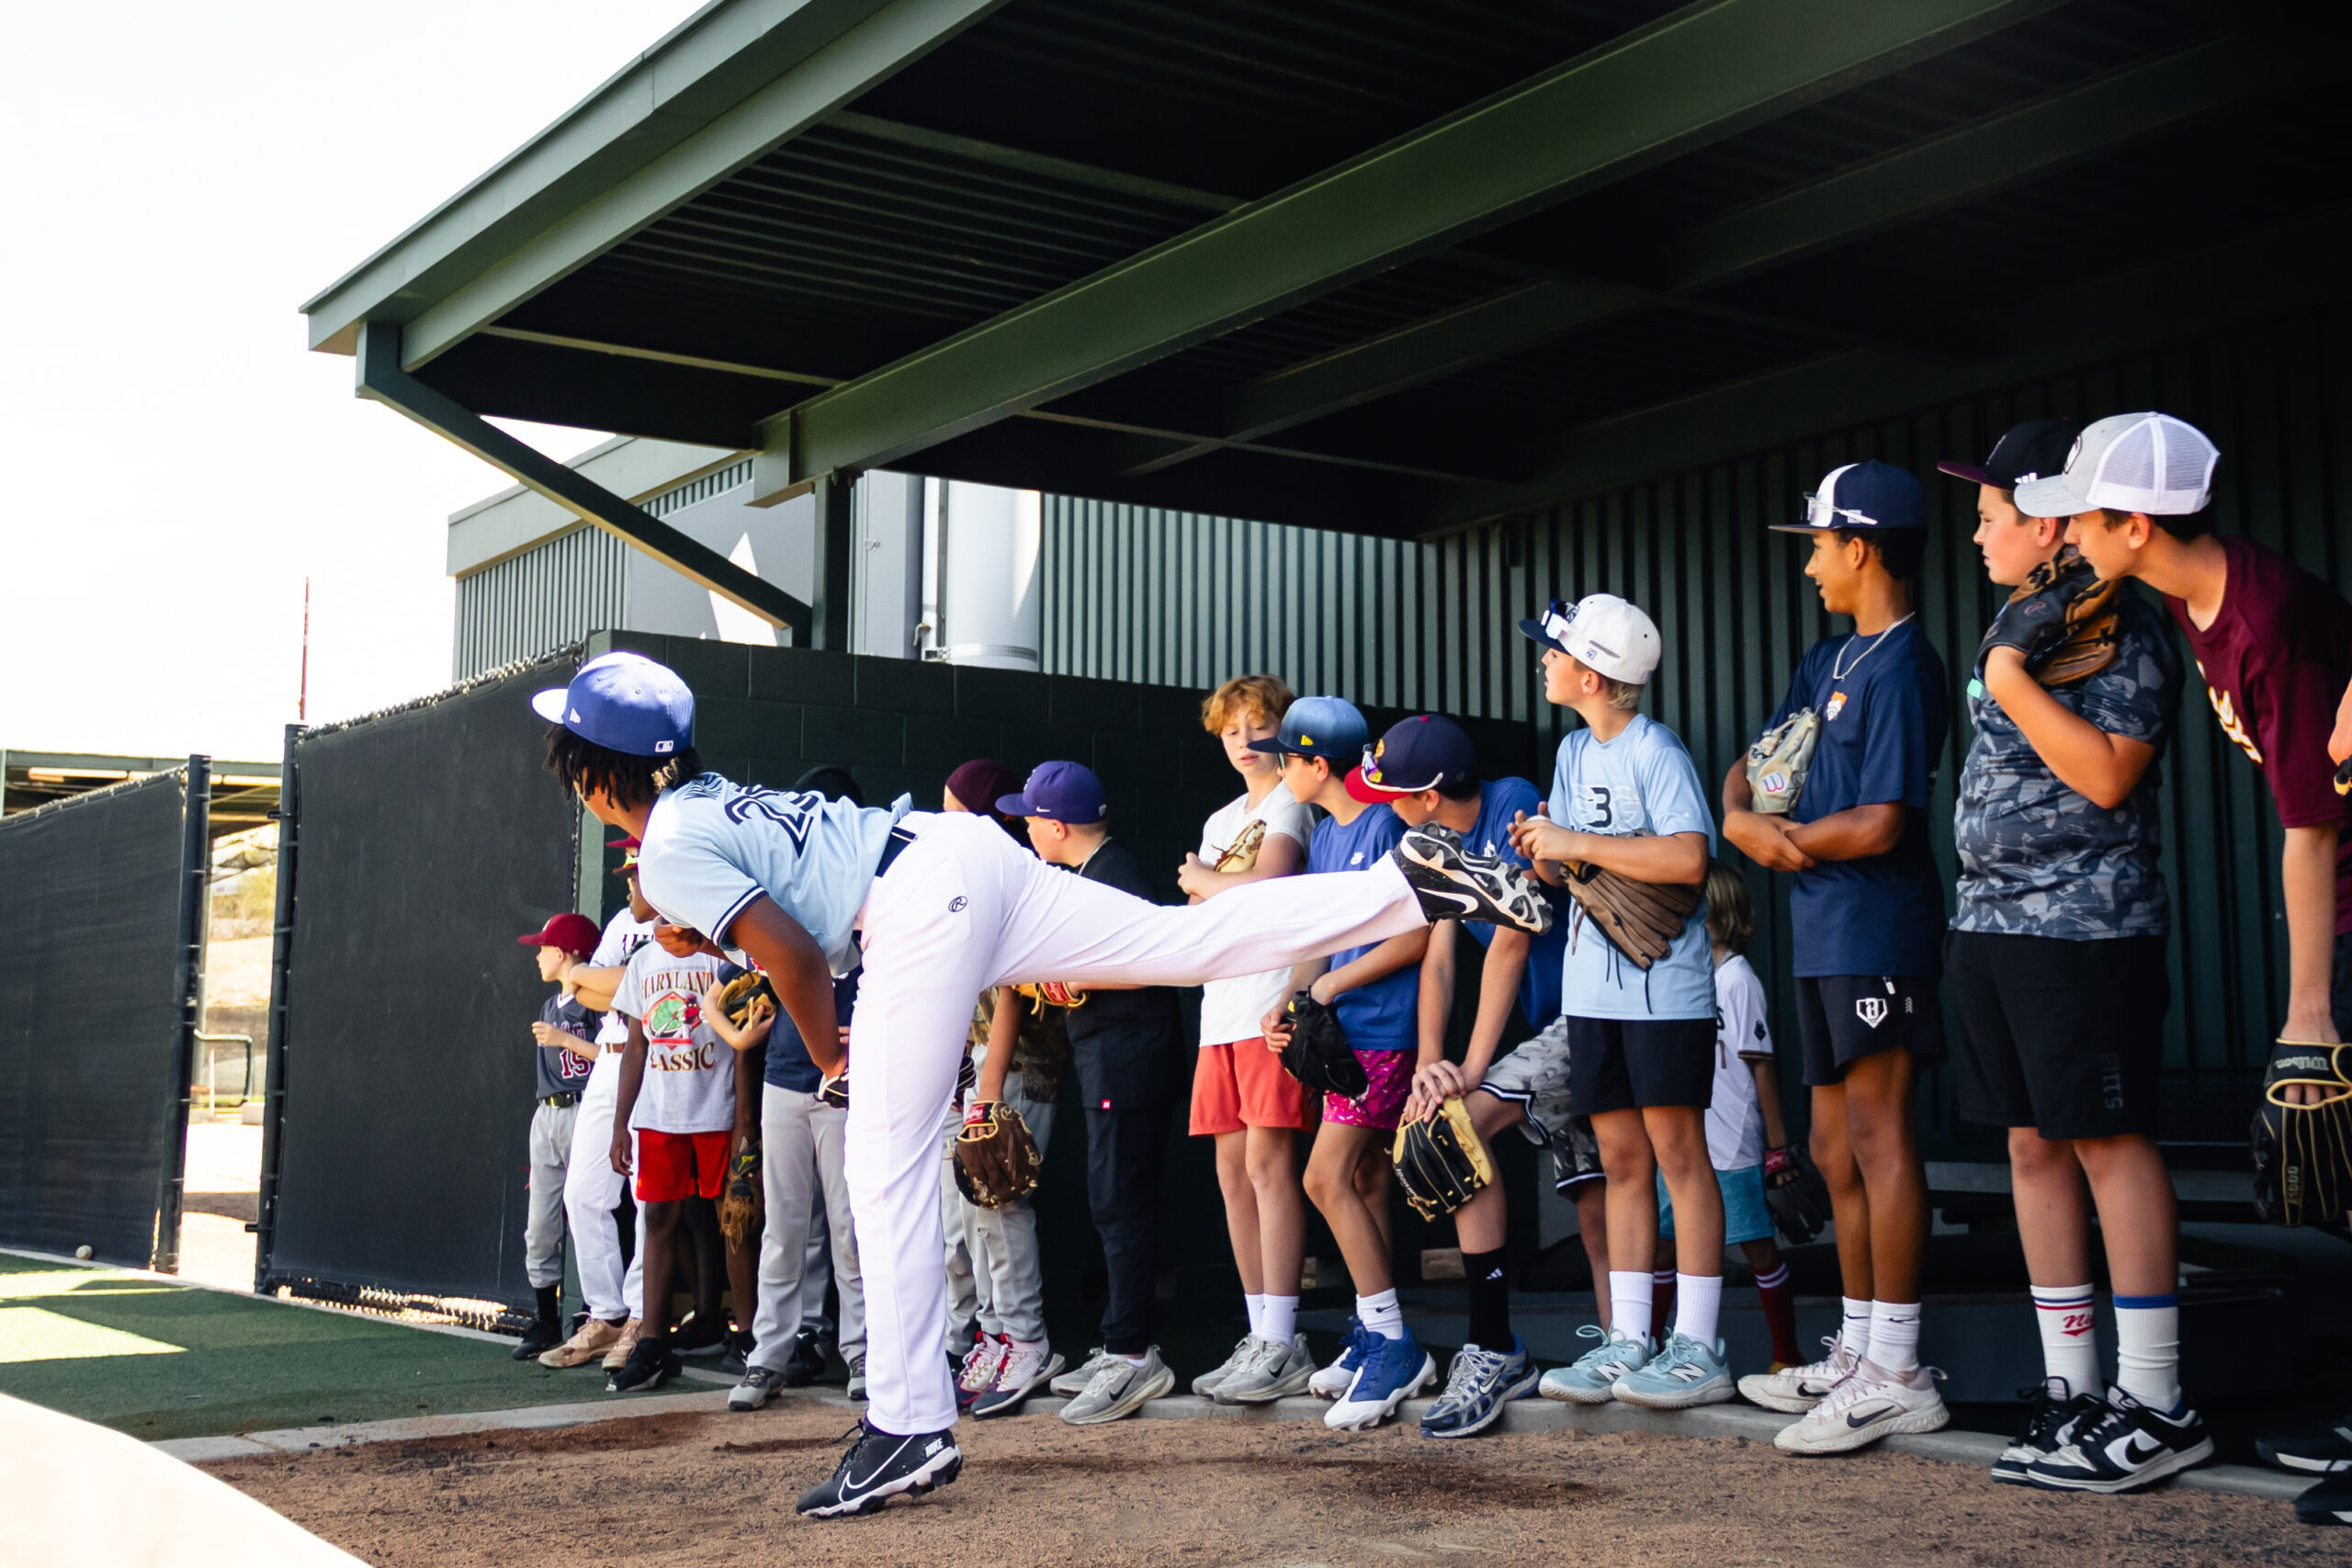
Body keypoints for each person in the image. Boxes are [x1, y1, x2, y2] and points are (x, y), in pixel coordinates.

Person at [533, 651, 1548, 1516]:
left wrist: (835, 1061)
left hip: (916, 904)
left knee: (884, 1170)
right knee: (1179, 942)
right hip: (957, 850)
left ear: (591, 771)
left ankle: (905, 1425)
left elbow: (795, 958)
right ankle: (1403, 884)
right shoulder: (707, 798)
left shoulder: (662, 848)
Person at [2017, 413, 2348, 1516]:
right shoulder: (2187, 591)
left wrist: (2308, 1018)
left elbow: (2309, 830)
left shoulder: (2263, 623)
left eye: (2082, 512)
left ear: (2136, 523)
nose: (2064, 526)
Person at [1925, 419, 2208, 1491]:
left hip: (2085, 933)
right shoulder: (2025, 619)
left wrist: (2005, 671)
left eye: (1992, 518)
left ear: (2048, 525)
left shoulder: (2124, 628)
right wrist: (2010, 652)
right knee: (2031, 1149)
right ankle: (2075, 1390)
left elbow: (2104, 777)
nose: (1979, 536)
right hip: (1991, 927)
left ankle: (2155, 1398)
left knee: (2107, 1144)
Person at [1721, 460, 1952, 1453]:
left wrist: (1784, 843)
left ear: (1859, 548)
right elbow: (1757, 761)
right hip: (1821, 931)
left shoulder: (1906, 664)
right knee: (1828, 1146)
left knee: (1877, 1134)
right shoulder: (1827, 659)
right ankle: (1857, 1351)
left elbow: (1883, 822)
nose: (1810, 564)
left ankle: (1898, 1366)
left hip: (1878, 930)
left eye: (1817, 545)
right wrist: (1738, 818)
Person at [1503, 593, 1733, 1414]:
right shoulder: (1571, 749)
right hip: (1592, 988)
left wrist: (1573, 845)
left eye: (1556, 651)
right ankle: (1631, 1336)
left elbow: (1688, 858)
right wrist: (1541, 852)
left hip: (1665, 990)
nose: (1545, 660)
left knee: (1678, 1155)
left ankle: (1700, 1343)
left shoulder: (1655, 748)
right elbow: (1566, 869)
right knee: (1622, 1158)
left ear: (1593, 674)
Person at [1368, 713, 1565, 1437]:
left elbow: (1510, 940)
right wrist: (1429, 1060)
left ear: (1427, 794)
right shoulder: (1436, 842)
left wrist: (1471, 1066)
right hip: (1550, 1021)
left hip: (1592, 1013)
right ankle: (1501, 1345)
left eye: (1392, 788)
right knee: (1590, 1192)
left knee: (1464, 1127)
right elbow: (1442, 957)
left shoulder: (1512, 797)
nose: (1383, 799)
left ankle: (1501, 1343)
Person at [1256, 695, 1440, 1432]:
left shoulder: (1389, 823)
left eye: (1285, 757)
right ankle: (1375, 1330)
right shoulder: (1329, 833)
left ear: (1317, 764)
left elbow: (1422, 933)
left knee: (1321, 1177)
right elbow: (1318, 940)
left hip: (1385, 1032)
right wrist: (1292, 997)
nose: (1277, 768)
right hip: (1347, 1031)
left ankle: (1396, 1341)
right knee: (1361, 1178)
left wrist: (1327, 986)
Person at [997, 761, 1182, 1424]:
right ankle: (1121, 1342)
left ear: (1055, 824)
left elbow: (1149, 961)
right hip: (1111, 1057)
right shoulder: (1093, 872)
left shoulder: (1113, 873)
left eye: (1028, 818)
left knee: (1120, 1201)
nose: (1023, 826)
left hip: (1128, 1060)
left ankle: (1133, 1354)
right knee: (1112, 1200)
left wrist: (1066, 977)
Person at [1174, 674, 1317, 1406]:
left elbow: (1269, 884)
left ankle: (1285, 1335)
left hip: (1268, 1002)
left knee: (1268, 1163)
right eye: (1231, 728)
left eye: (1257, 725)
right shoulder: (1220, 814)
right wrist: (1211, 889)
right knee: (1233, 1171)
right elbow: (1205, 913)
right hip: (1219, 1008)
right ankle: (1260, 1329)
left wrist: (1205, 879)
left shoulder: (1294, 797)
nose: (1244, 739)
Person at [729, 768, 870, 1413]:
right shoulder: (779, 884)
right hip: (785, 1074)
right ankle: (768, 1356)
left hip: (847, 1074)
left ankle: (866, 1353)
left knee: (849, 1224)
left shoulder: (871, 882)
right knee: (785, 1227)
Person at [941, 759, 1069, 1421]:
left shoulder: (1015, 876)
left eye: (956, 810)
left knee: (1000, 1200)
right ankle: (994, 1332)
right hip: (979, 1065)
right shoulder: (971, 875)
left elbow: (1015, 989)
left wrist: (986, 1091)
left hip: (1018, 1066)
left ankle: (1027, 1339)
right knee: (970, 1213)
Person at [605, 916, 767, 1393]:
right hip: (660, 1113)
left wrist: (744, 1120)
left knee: (734, 1219)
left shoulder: (722, 954)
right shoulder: (643, 962)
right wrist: (621, 1120)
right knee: (658, 1219)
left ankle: (750, 1334)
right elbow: (636, 1045)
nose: (658, 916)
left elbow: (743, 1046)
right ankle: (654, 1343)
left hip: (716, 1110)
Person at [1674, 862, 1801, 1374]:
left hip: (1732, 1144)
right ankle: (1666, 1351)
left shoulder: (1737, 979)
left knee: (1756, 1250)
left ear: (1715, 913)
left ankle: (1786, 1355)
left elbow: (1763, 1066)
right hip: (1689, 1142)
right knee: (1665, 1248)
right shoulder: (1688, 977)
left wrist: (1777, 1145)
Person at [537, 841, 656, 1371]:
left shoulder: (682, 923)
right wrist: (604, 982)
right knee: (583, 1191)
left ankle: (640, 1317)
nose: (628, 883)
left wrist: (603, 982)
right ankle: (606, 1314)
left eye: (635, 873)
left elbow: (634, 989)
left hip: (656, 1059)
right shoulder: (619, 924)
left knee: (648, 1195)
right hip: (609, 1058)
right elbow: (585, 988)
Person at [512, 911, 602, 1359]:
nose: (538, 957)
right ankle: (546, 1319)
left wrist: (565, 1041)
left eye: (544, 948)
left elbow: (616, 1055)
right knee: (540, 1226)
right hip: (547, 1114)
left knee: (590, 1216)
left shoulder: (594, 1001)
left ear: (566, 953)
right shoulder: (552, 1006)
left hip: (586, 1109)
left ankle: (594, 1315)